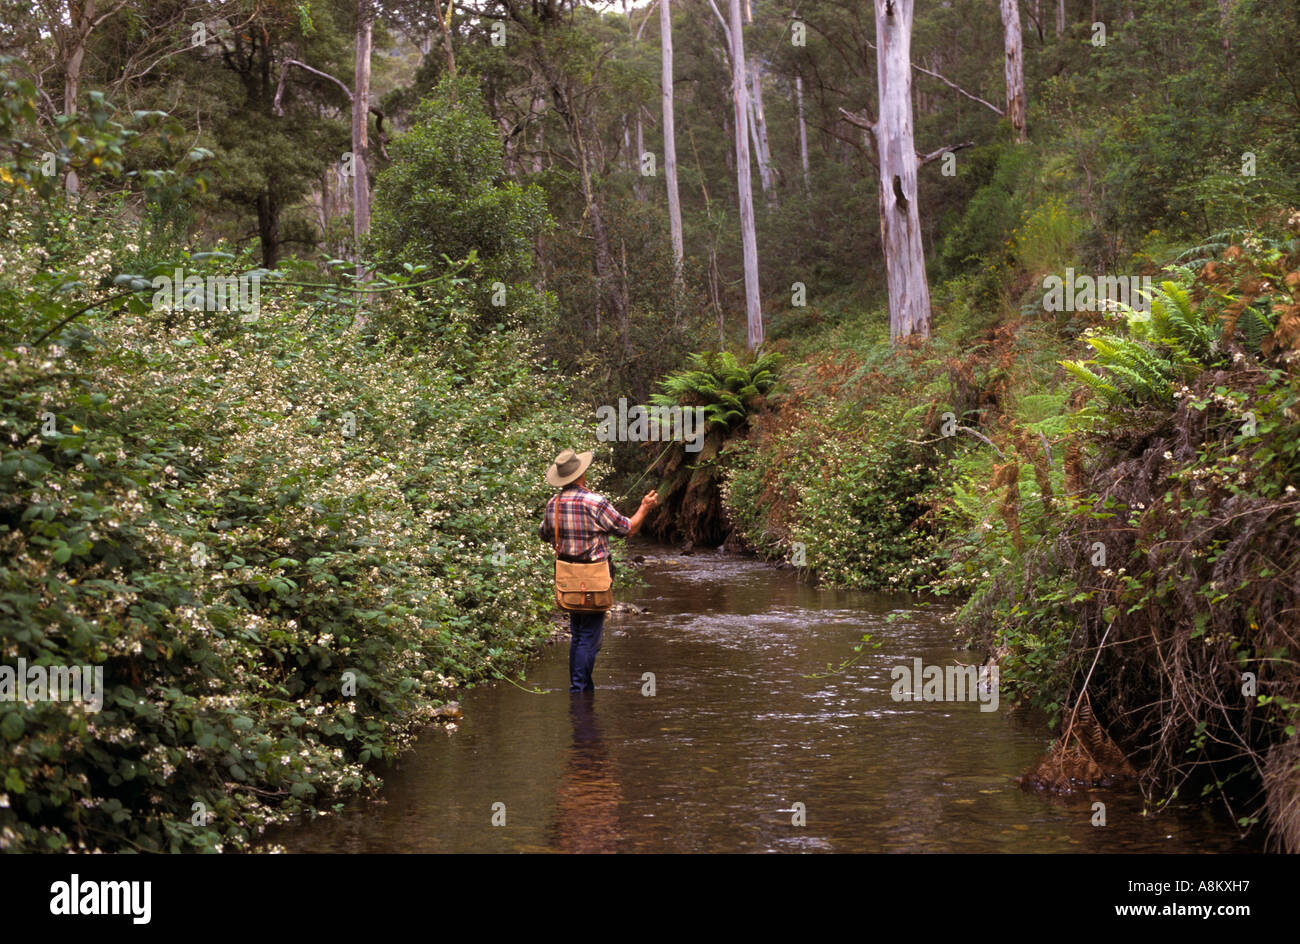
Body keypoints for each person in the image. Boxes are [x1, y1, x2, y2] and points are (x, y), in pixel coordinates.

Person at [539, 448, 657, 694]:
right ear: (582, 473)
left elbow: (544, 534)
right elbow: (627, 529)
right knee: (588, 637)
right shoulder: (595, 502)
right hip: (593, 579)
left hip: (568, 579)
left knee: (579, 632)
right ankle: (579, 691)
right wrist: (645, 507)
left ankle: (581, 688)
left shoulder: (554, 504)